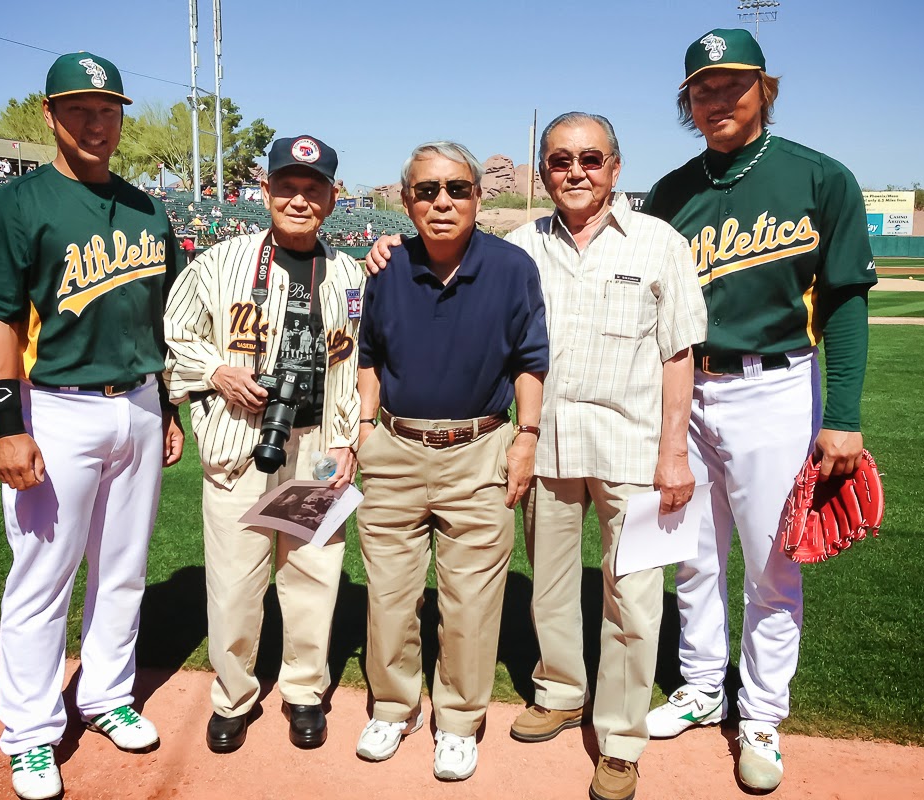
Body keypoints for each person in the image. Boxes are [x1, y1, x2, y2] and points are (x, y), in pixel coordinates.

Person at [364, 117, 707, 800]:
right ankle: (559, 690)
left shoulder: (658, 241)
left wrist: (675, 451)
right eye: (559, 160)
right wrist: (385, 247)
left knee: (633, 600)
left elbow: (679, 354)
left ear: (613, 166)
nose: (574, 171)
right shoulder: (520, 247)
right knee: (549, 591)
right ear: (544, 170)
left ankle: (619, 738)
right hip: (545, 447)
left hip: (635, 448)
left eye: (589, 158)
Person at [640, 29, 877, 793]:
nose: (717, 99)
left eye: (732, 84)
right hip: (685, 389)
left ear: (763, 89)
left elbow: (842, 302)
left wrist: (841, 415)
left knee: (772, 563)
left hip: (775, 386)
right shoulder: (670, 193)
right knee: (692, 553)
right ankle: (703, 685)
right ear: (687, 101)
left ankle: (762, 715)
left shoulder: (818, 178)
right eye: (702, 89)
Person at [0, 51, 184, 800]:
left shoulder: (148, 208)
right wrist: (6, 426)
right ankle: (31, 734)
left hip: (139, 405)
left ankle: (106, 694)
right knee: (42, 578)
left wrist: (168, 408)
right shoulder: (15, 205)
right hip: (56, 408)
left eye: (107, 110)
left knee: (123, 572)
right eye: (78, 108)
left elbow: (161, 319)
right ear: (48, 114)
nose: (95, 123)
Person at [164, 134, 364, 755]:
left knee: (311, 573)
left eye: (312, 189)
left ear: (331, 199)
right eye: (287, 187)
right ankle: (234, 696)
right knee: (235, 581)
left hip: (318, 446)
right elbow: (174, 338)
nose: (299, 199)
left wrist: (350, 440)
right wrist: (219, 373)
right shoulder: (218, 264)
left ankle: (304, 691)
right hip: (239, 443)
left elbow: (357, 365)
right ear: (266, 190)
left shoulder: (350, 273)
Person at [354, 141, 548, 782]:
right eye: (428, 190)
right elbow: (368, 358)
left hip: (481, 448)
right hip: (395, 447)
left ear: (477, 195)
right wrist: (363, 431)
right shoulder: (382, 267)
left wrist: (526, 439)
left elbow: (529, 360)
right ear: (406, 200)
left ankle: (460, 720)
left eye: (457, 188)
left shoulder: (512, 266)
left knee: (471, 600)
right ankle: (393, 705)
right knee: (389, 594)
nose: (443, 201)